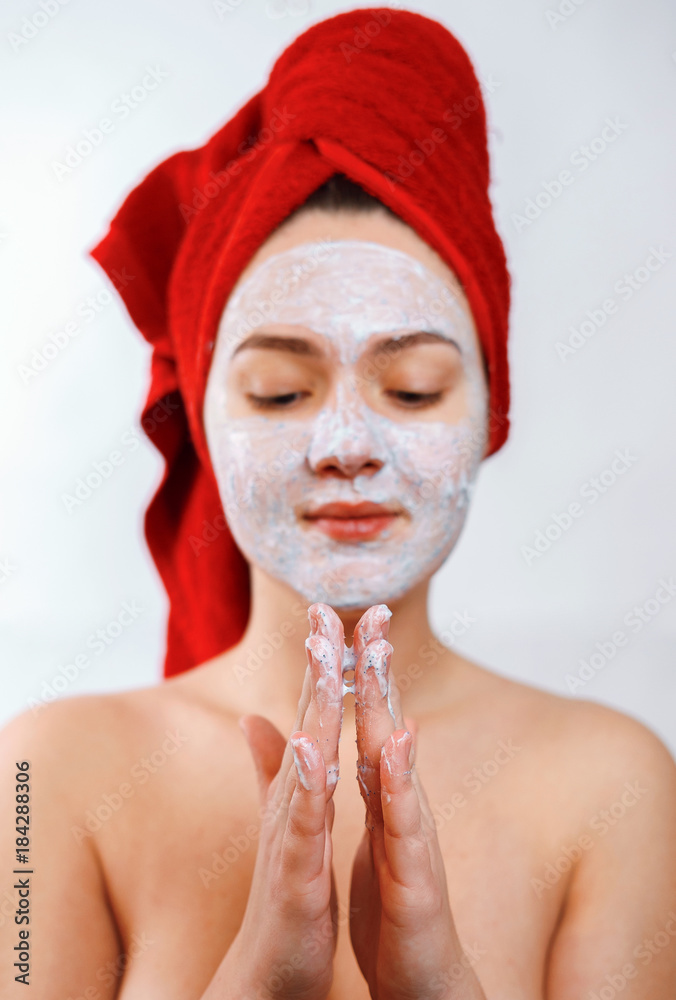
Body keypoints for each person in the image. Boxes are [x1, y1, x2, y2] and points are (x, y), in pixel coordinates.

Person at [2, 9, 675, 1000]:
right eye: (280, 390)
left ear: (490, 406)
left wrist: (438, 983)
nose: (347, 444)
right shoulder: (40, 777)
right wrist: (253, 981)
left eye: (411, 388)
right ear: (201, 419)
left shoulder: (613, 784)